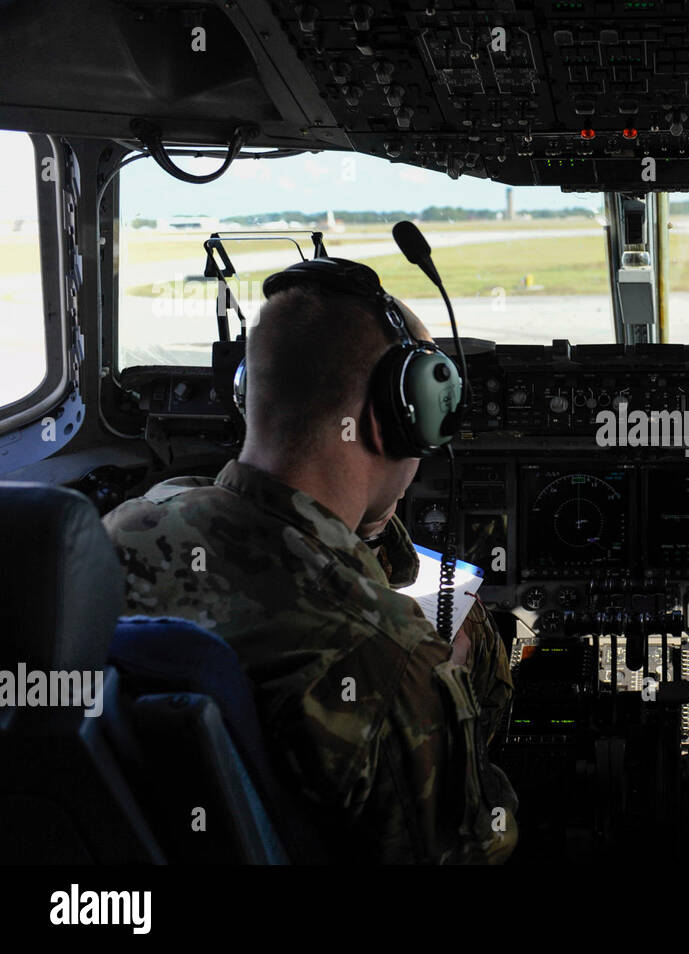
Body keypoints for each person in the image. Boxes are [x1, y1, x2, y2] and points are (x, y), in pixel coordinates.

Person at [104, 260, 516, 864]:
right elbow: (470, 846)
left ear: (252, 393)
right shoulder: (389, 658)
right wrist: (453, 688)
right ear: (395, 419)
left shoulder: (120, 531)